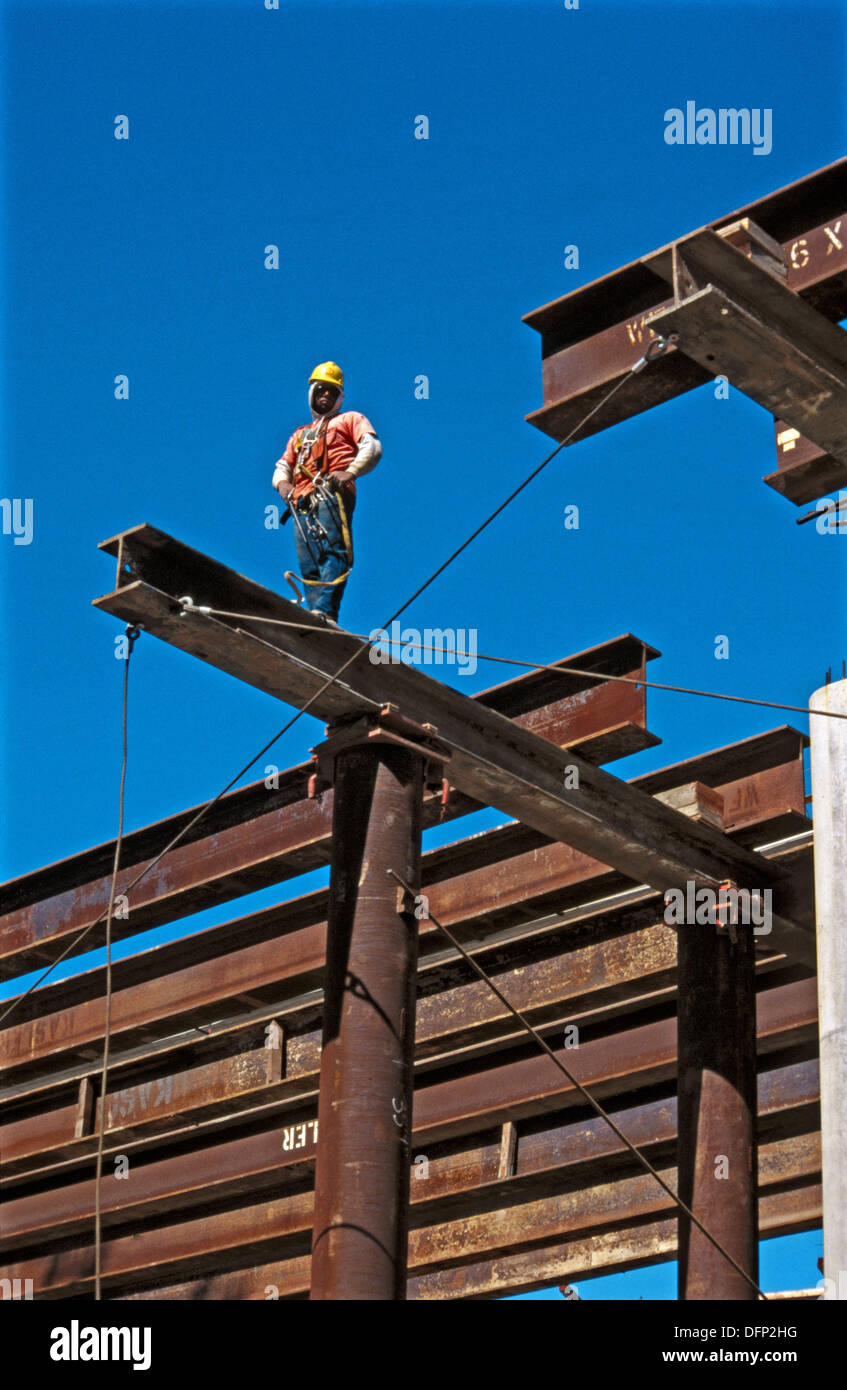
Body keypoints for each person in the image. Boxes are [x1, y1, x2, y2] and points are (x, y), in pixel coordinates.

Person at [272, 362, 381, 627]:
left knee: (333, 553)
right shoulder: (301, 434)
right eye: (321, 391)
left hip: (331, 494)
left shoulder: (351, 419)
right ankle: (313, 614)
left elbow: (372, 447)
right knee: (308, 560)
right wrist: (284, 486)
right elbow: (282, 467)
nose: (325, 396)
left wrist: (350, 472)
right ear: (312, 394)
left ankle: (325, 613)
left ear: (338, 397)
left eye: (331, 393)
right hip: (302, 502)